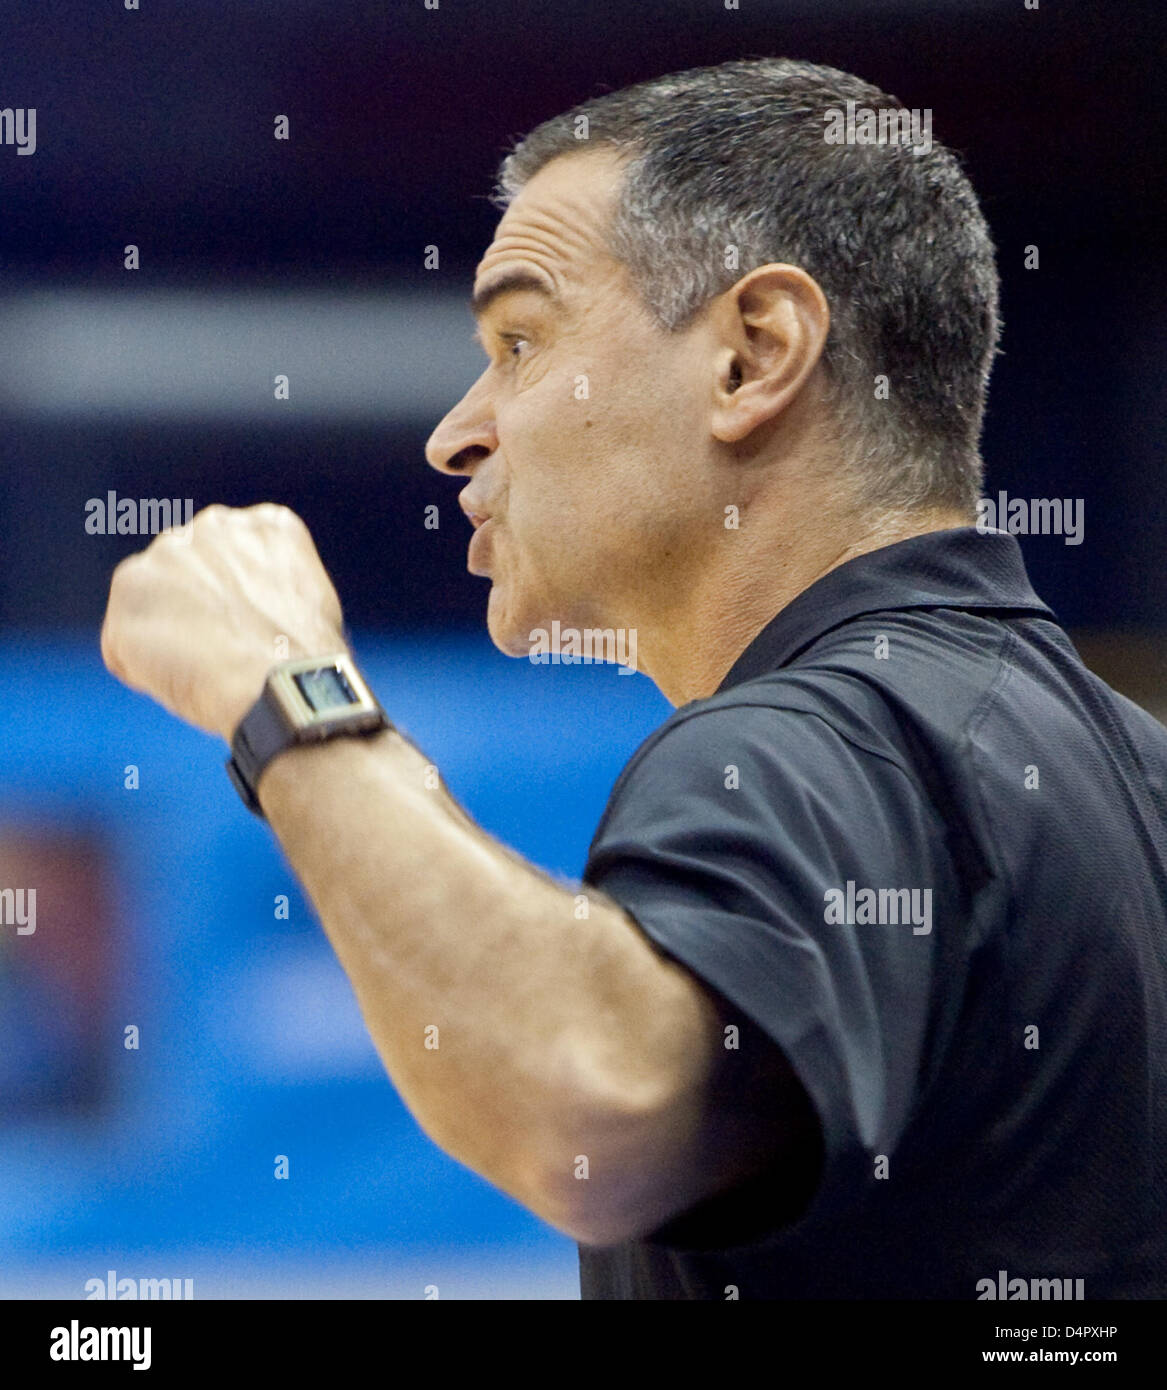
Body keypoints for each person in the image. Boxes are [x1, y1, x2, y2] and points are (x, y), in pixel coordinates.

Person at [100, 58, 1167, 1299]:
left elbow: (595, 1103)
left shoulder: (808, 744)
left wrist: (289, 691)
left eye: (520, 339)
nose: (457, 433)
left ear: (752, 356)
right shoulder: (1133, 774)